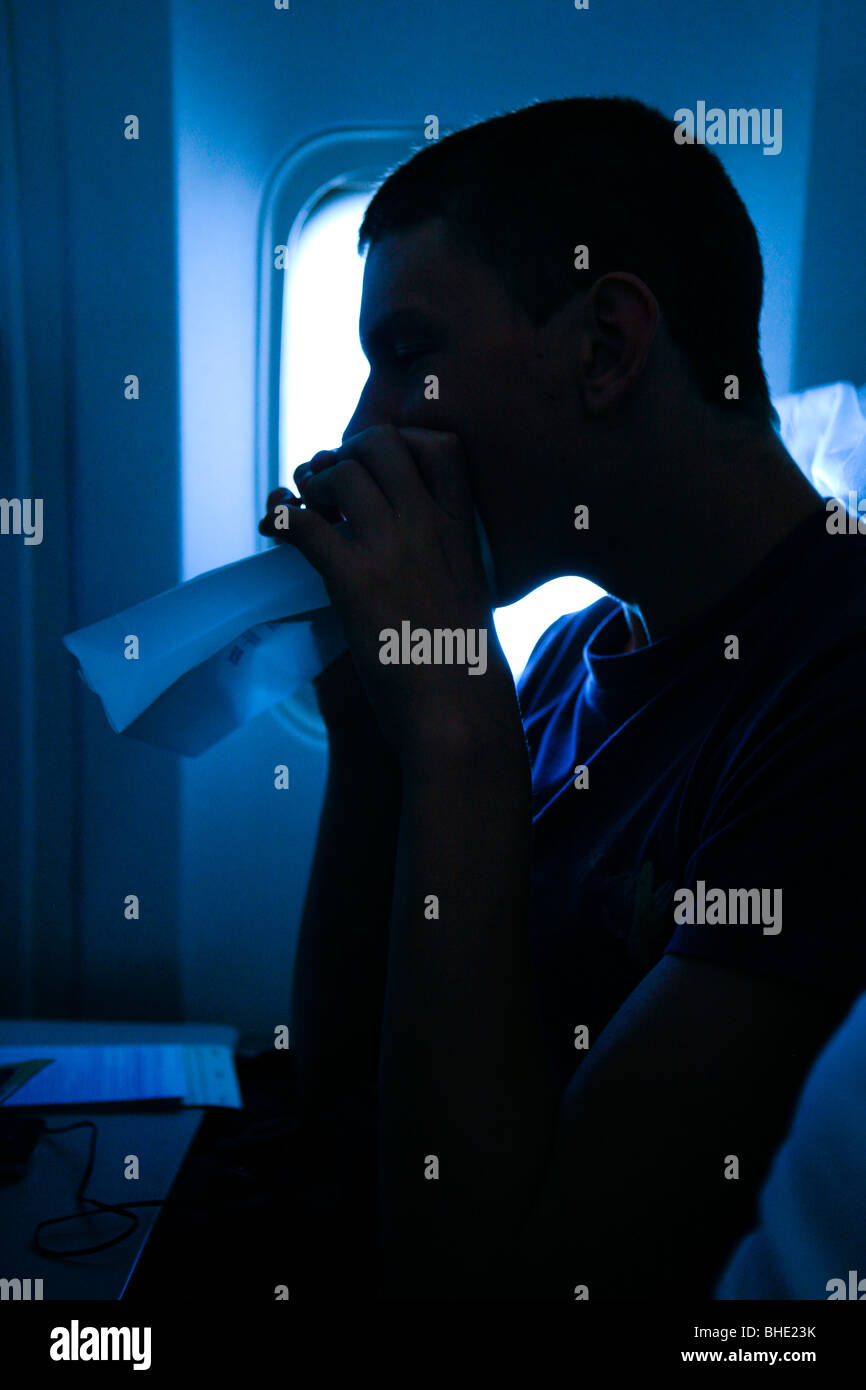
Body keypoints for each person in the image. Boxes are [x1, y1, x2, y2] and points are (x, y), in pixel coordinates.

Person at [260, 96, 866, 1299]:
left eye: (408, 355)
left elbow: (522, 1301)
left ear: (603, 347)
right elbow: (336, 1114)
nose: (358, 432)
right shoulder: (566, 662)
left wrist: (451, 738)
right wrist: (372, 739)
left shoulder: (838, 697)